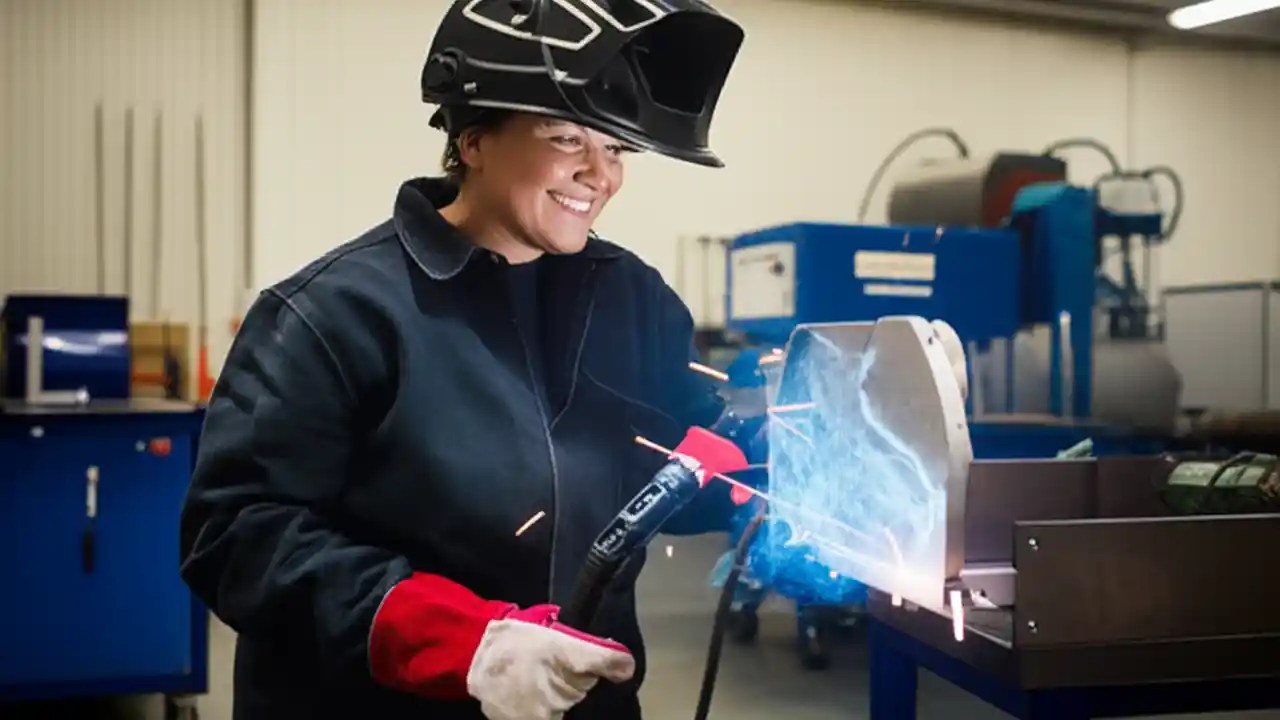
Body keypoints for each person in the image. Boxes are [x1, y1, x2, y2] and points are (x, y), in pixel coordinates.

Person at [177, 1, 746, 719]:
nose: (600, 175)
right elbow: (235, 536)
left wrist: (778, 473)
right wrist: (460, 643)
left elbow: (690, 460)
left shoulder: (632, 301)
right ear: (472, 140)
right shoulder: (333, 314)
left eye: (617, 149)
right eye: (567, 137)